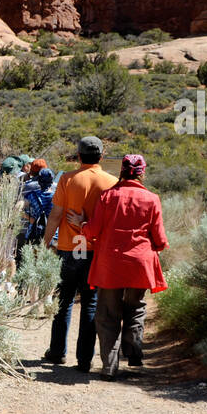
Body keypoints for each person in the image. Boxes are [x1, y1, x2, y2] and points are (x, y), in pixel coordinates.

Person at [81, 153, 168, 379]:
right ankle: (134, 353)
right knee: (136, 307)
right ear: (142, 173)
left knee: (108, 314)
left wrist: (82, 225)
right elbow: (159, 240)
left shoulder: (108, 196)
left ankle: (110, 367)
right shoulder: (152, 199)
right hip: (139, 264)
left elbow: (93, 230)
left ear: (122, 170)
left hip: (110, 264)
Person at [42, 136, 117, 371]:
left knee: (63, 301)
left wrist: (45, 241)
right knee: (90, 303)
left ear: (79, 156)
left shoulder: (67, 179)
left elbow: (56, 215)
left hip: (69, 248)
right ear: (101, 156)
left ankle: (57, 352)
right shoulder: (112, 182)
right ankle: (85, 359)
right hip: (96, 250)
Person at [17, 167, 55, 264]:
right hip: (53, 235)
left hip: (34, 234)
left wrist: (31, 219)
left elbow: (17, 209)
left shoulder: (31, 195)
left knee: (33, 262)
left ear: (39, 180)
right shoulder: (57, 197)